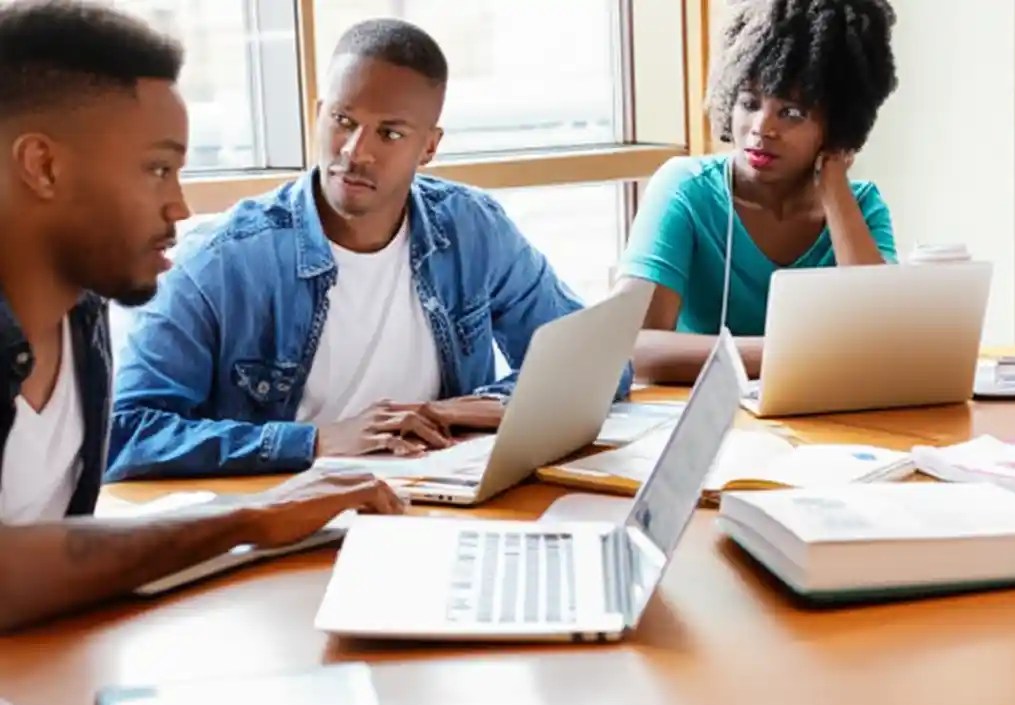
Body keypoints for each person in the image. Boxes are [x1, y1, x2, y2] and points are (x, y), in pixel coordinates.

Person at [0, 0, 404, 635]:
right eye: (157, 169)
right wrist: (248, 518)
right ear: (44, 166)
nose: (180, 206)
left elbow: (55, 551)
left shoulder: (81, 318)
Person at [107, 18, 629, 482]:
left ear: (429, 146)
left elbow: (602, 371)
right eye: (343, 121)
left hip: (439, 500)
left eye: (390, 133)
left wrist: (466, 410)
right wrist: (317, 442)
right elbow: (126, 433)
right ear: (318, 113)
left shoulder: (473, 230)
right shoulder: (221, 261)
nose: (356, 152)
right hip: (289, 516)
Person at [617, 0, 900, 384]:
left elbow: (886, 340)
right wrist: (791, 352)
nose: (761, 127)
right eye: (749, 103)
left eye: (792, 113)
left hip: (824, 430)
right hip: (703, 427)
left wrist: (834, 189)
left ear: (837, 125)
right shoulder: (686, 189)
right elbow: (633, 348)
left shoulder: (861, 206)